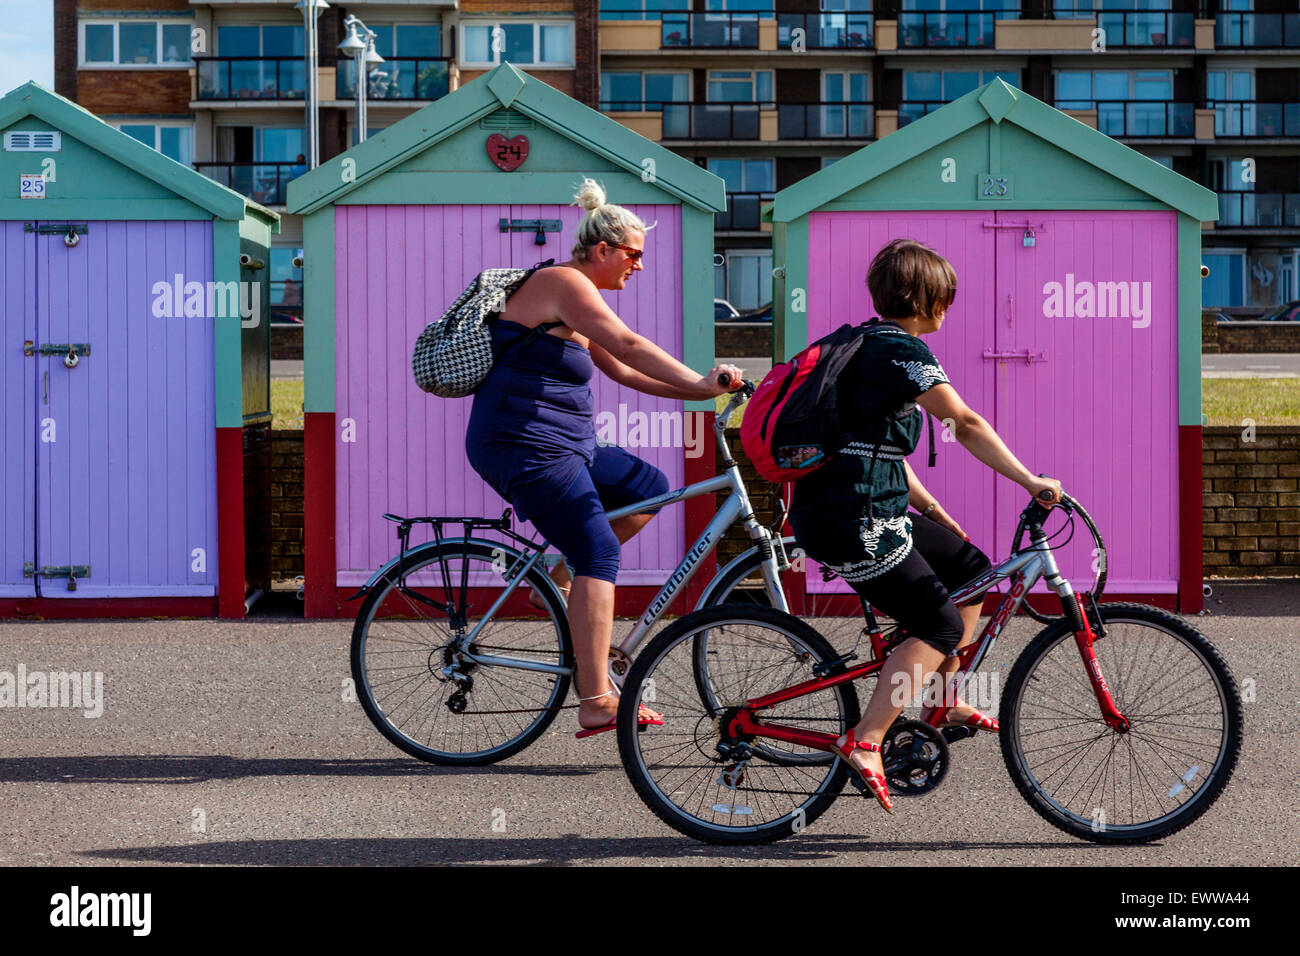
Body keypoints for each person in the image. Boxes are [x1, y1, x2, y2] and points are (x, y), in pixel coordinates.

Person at [787, 237, 1061, 813]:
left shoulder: (867, 345)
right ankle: (864, 740)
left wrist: (936, 514)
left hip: (869, 506)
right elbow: (963, 421)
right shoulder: (897, 350)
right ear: (927, 298)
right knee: (937, 626)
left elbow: (876, 451)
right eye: (947, 297)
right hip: (850, 519)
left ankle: (942, 696)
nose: (949, 308)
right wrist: (1029, 480)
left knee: (972, 569)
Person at [465, 177, 743, 737]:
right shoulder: (563, 283)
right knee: (600, 554)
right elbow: (630, 345)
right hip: (525, 444)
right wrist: (700, 375)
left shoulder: (575, 299)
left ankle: (564, 577)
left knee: (648, 487)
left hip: (570, 443)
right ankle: (595, 699)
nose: (637, 267)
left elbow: (625, 372)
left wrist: (703, 390)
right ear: (603, 250)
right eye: (633, 255)